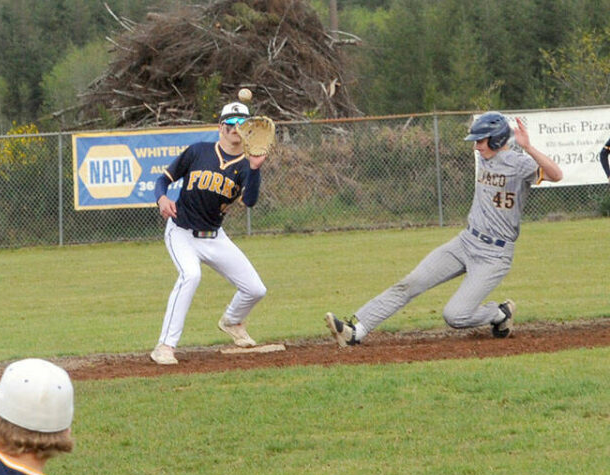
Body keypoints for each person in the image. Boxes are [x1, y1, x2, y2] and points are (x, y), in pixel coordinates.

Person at [325, 113, 563, 347]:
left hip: (494, 255)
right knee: (411, 282)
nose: (477, 147)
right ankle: (356, 330)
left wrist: (528, 147)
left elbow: (556, 175)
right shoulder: (485, 158)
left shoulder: (519, 164)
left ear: (497, 140)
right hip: (466, 241)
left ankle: (499, 315)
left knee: (455, 316)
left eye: (481, 141)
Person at [150, 100, 269, 365]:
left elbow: (249, 201)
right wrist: (161, 199)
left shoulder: (246, 165)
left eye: (242, 124)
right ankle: (165, 346)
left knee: (255, 289)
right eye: (230, 123)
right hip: (182, 231)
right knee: (191, 275)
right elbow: (163, 180)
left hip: (214, 236)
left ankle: (232, 321)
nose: (235, 128)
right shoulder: (198, 152)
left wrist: (256, 168)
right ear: (220, 127)